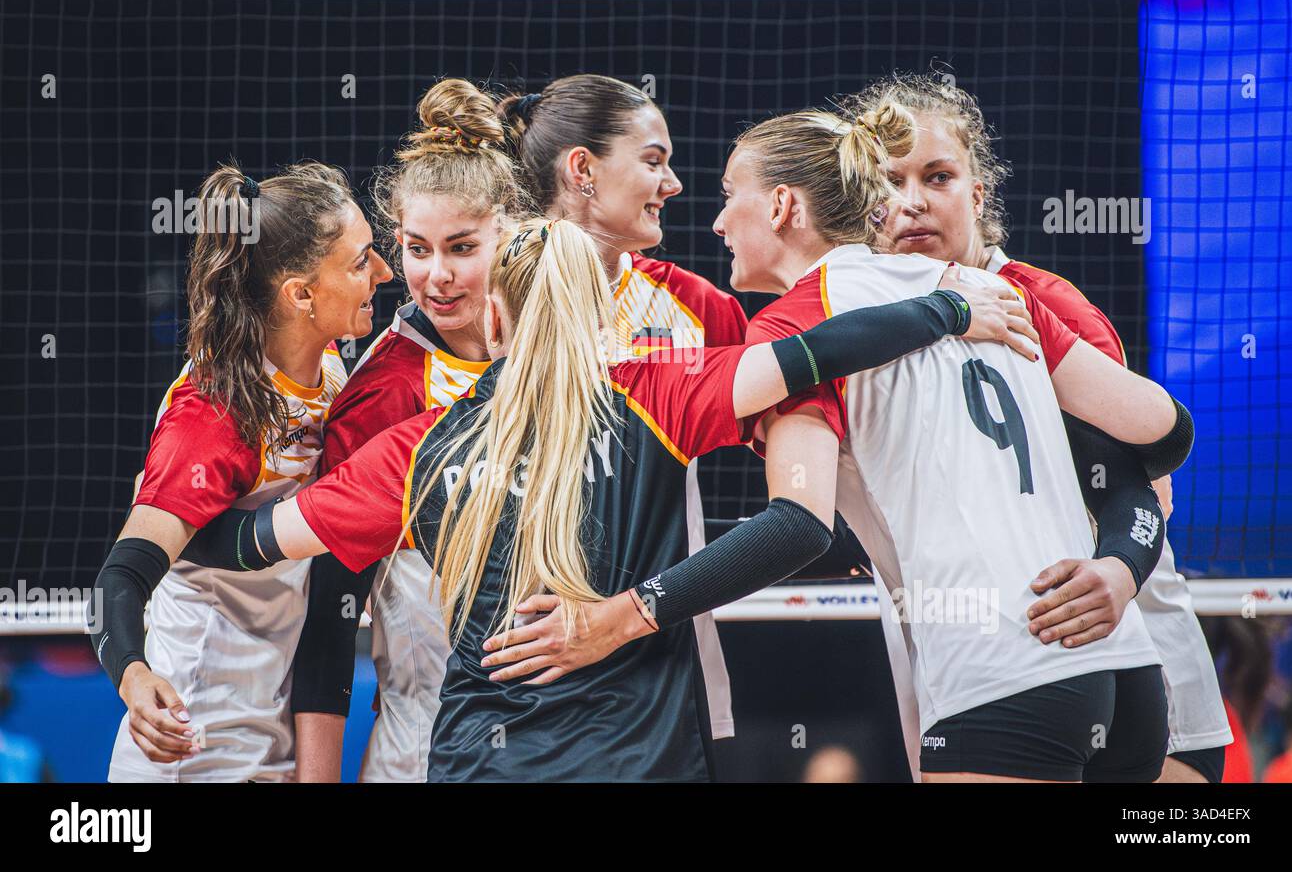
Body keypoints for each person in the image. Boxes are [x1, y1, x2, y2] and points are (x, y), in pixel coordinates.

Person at [102, 197, 1043, 780]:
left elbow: (242, 545)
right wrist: (949, 307)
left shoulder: (420, 447)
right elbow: (810, 355)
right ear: (596, 307)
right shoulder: (659, 395)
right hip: (637, 756)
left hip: (475, 756)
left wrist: (234, 497)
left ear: (497, 310)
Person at [484, 98, 1195, 784]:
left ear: (783, 206)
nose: (719, 221)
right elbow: (1164, 430)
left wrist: (622, 616)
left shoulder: (797, 325)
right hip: (1125, 671)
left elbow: (796, 526)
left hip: (1004, 664)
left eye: (732, 195)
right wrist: (1112, 555)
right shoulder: (995, 294)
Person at [857, 71, 1232, 783]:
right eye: (889, 182)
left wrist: (1119, 572)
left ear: (979, 193)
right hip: (976, 667)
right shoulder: (875, 320)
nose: (911, 202)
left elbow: (1149, 490)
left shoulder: (1040, 302)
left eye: (938, 177)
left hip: (1127, 660)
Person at [92, 162, 393, 779]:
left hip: (272, 731)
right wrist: (133, 674)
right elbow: (118, 579)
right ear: (300, 294)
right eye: (361, 261)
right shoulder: (213, 415)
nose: (384, 273)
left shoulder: (332, 370)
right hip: (194, 745)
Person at [497, 74, 749, 741]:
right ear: (582, 169)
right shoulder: (481, 299)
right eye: (653, 161)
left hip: (660, 667)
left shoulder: (701, 309)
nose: (673, 186)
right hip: (505, 669)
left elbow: (801, 459)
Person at [287, 79, 519, 782]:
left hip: (572, 742)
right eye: (417, 249)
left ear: (510, 233)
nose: (436, 276)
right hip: (426, 749)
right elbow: (330, 611)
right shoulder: (383, 393)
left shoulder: (564, 356)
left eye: (462, 248)